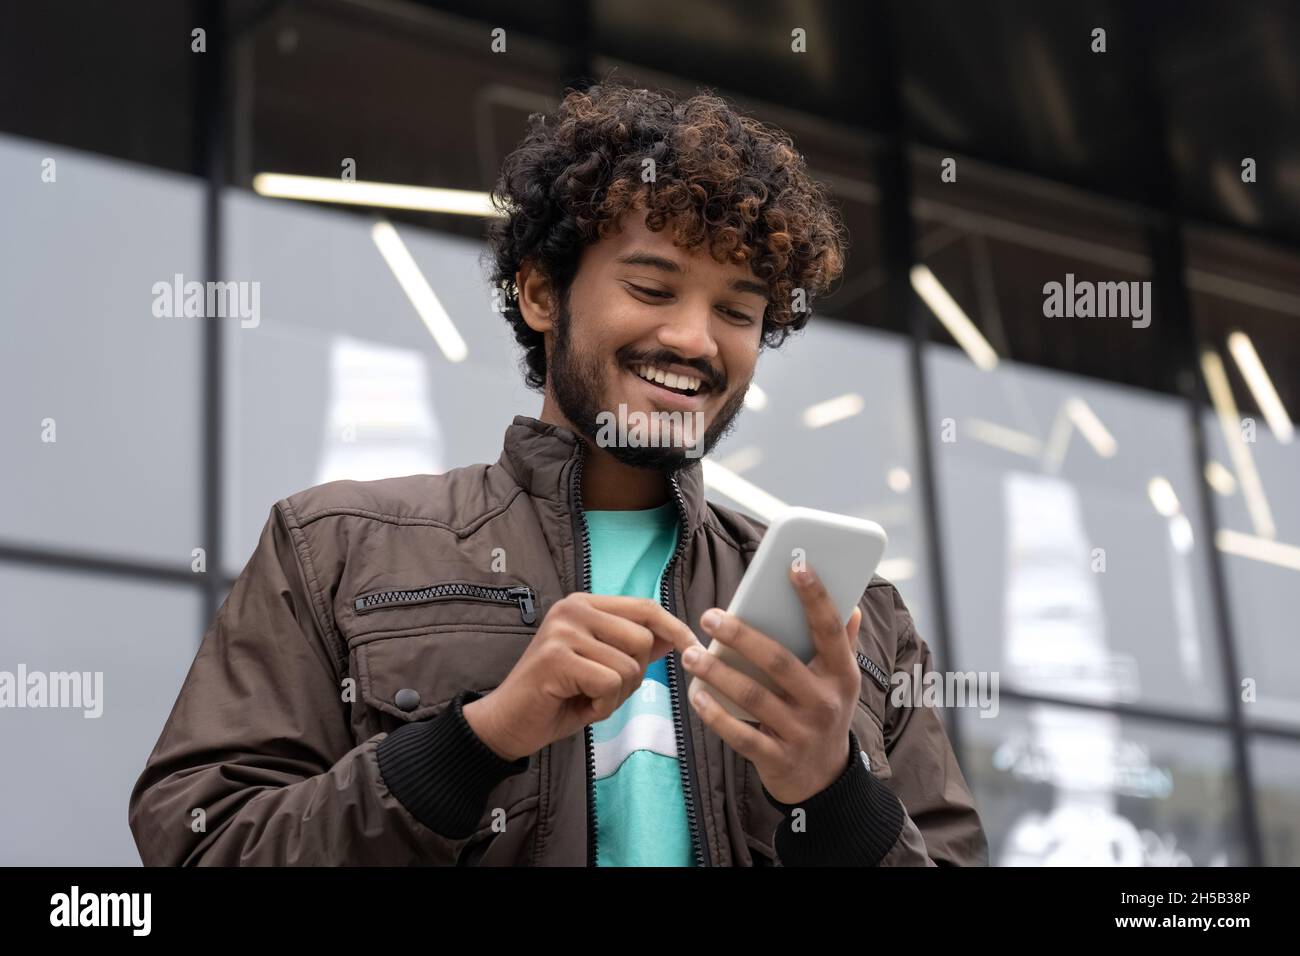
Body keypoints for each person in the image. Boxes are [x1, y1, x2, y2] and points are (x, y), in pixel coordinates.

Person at [128, 82, 987, 866]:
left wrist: (833, 793)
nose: (695, 338)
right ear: (541, 294)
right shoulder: (335, 549)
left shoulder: (860, 625)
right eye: (654, 288)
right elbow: (198, 845)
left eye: (736, 309)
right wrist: (478, 740)